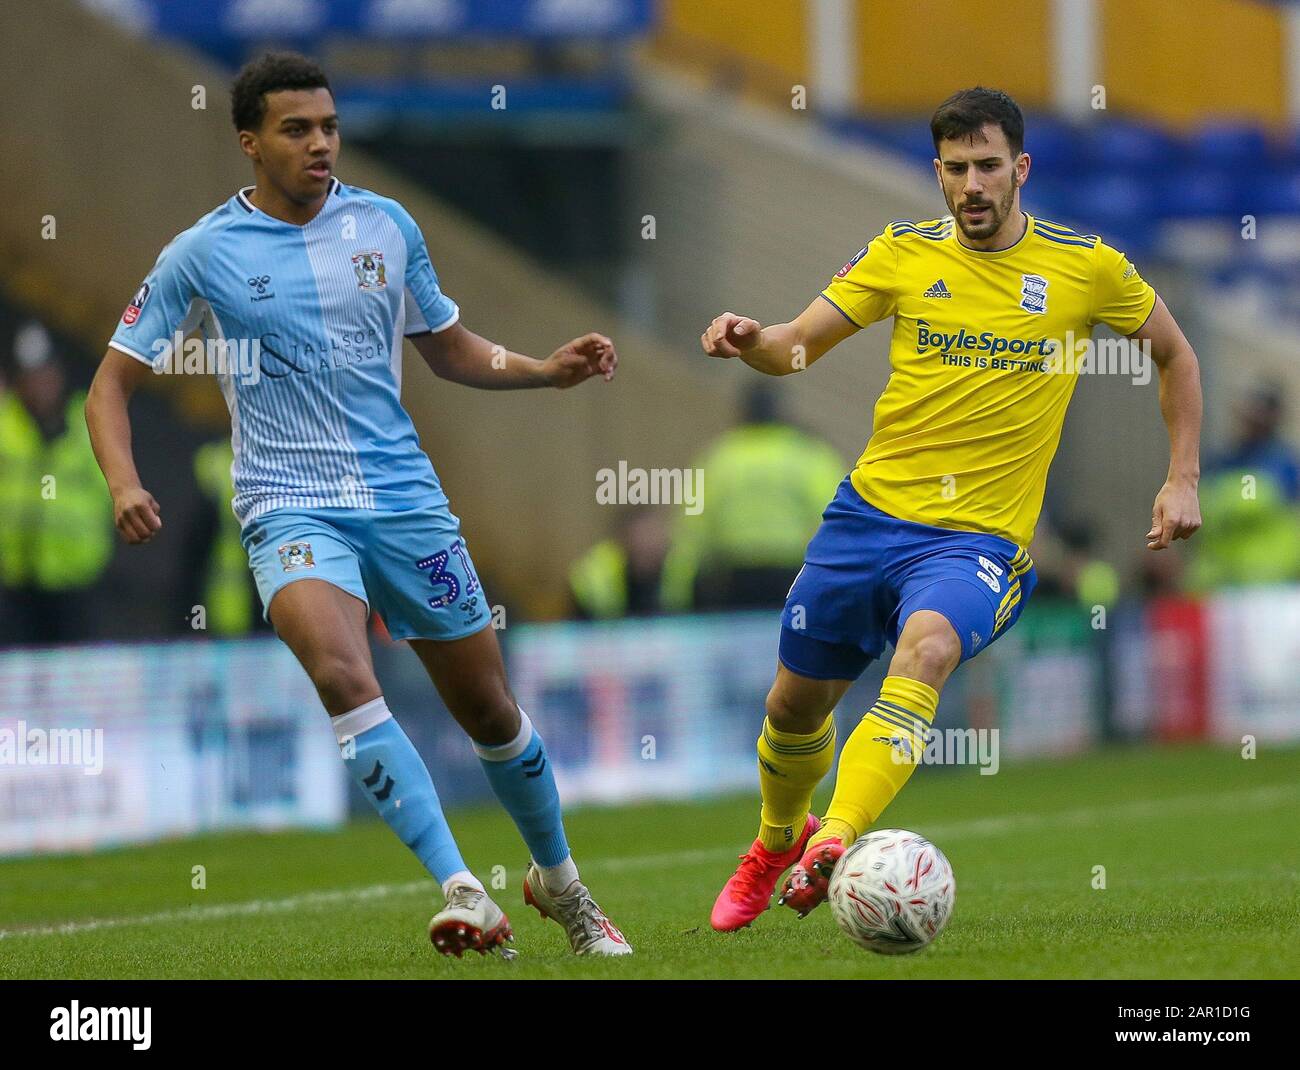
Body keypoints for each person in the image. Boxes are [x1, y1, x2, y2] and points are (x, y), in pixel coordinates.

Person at [85, 51, 630, 958]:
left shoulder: (386, 226)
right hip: (288, 506)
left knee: (489, 709)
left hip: (403, 501)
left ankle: (560, 885)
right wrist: (123, 481)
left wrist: (542, 370)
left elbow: (447, 349)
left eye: (330, 127)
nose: (321, 144)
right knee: (344, 676)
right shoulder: (202, 252)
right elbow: (108, 385)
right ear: (250, 142)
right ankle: (464, 889)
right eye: (297, 129)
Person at [700, 87, 1203, 931]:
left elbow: (1175, 353)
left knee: (925, 648)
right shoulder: (901, 253)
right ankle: (779, 839)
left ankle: (840, 843)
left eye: (989, 167)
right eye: (957, 168)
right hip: (866, 519)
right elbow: (796, 349)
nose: (973, 185)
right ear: (937, 172)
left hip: (976, 542)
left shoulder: (1086, 268)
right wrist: (755, 341)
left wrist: (1181, 476)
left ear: (1021, 170)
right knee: (793, 707)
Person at [660, 384, 846, 611]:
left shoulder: (719, 458)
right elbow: (838, 519)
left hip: (735, 580)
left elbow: (692, 531)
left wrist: (676, 591)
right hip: (795, 574)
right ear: (780, 411)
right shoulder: (808, 455)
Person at [0, 321, 114, 644]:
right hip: (15, 583)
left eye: (43, 373)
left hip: (76, 586)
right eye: (29, 376)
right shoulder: (5, 422)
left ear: (58, 373)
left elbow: (115, 493)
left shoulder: (88, 423)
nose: (38, 385)